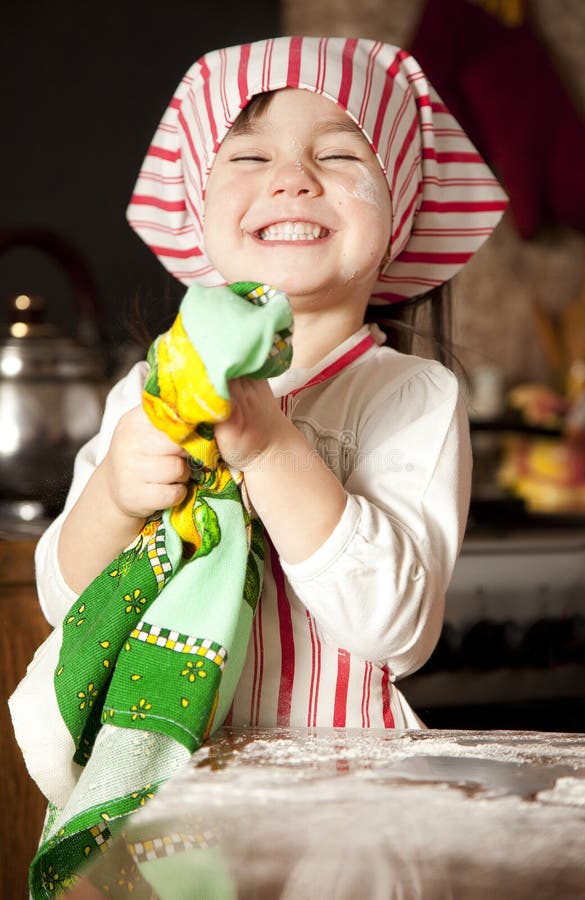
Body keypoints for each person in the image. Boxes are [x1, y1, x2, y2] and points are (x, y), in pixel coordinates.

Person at [35, 36, 507, 732]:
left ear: (399, 208)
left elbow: (399, 633)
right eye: (251, 157)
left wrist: (270, 448)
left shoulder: (414, 397)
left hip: (343, 779)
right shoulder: (145, 394)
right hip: (171, 780)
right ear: (198, 205)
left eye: (339, 155)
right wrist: (111, 497)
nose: (292, 179)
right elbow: (62, 602)